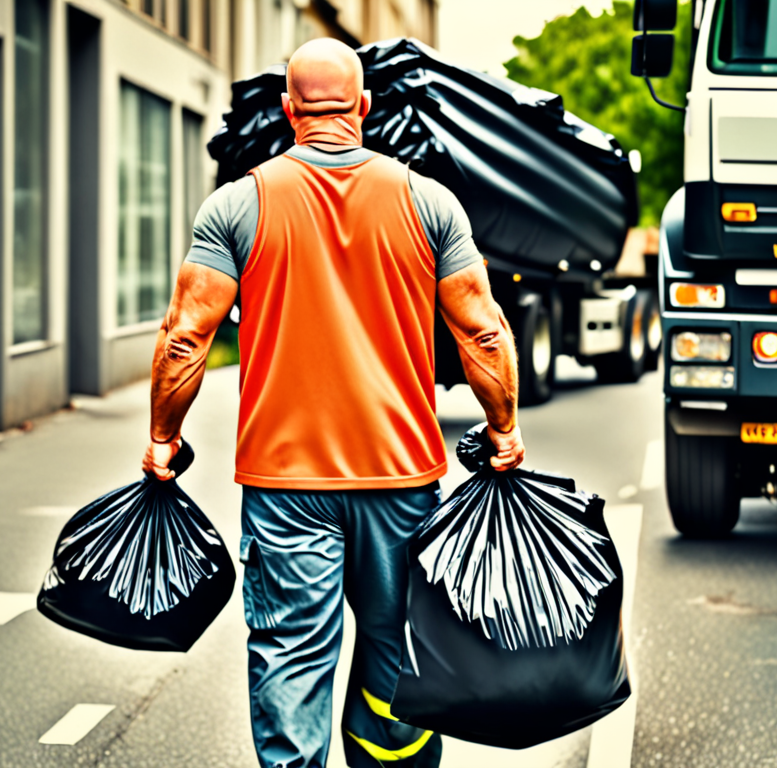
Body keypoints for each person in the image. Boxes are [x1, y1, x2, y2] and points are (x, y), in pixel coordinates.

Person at [142, 37, 525, 768]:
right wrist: (501, 427)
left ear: (289, 111)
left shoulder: (237, 205)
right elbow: (483, 328)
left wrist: (164, 437)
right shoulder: (428, 201)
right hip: (401, 477)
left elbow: (184, 337)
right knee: (397, 646)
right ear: (366, 107)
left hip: (287, 486)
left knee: (291, 655)